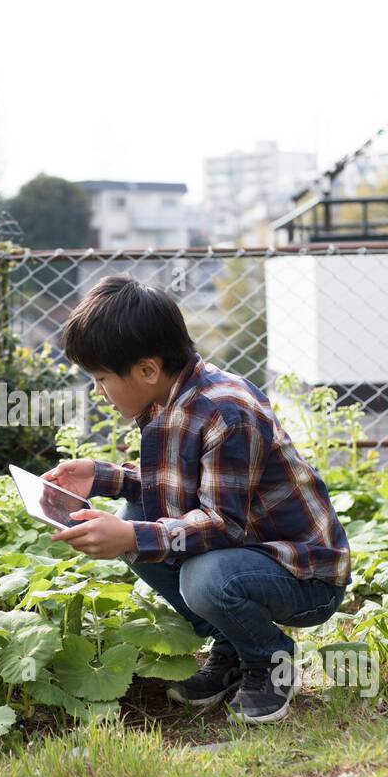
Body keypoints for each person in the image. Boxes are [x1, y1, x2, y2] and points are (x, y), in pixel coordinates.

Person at [44, 275, 350, 723]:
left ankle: (272, 661)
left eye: (103, 378)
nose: (98, 391)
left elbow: (222, 523)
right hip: (248, 556)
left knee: (197, 572)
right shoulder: (168, 398)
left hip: (304, 574)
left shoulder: (226, 411)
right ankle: (234, 647)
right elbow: (173, 488)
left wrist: (129, 535)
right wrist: (100, 477)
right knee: (139, 515)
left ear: (148, 369)